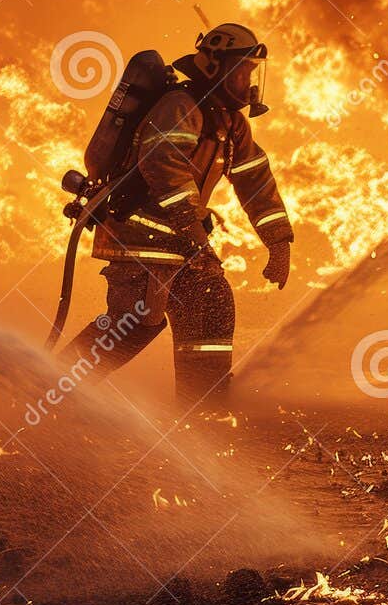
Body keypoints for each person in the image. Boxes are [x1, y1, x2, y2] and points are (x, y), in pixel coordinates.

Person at [63, 22, 294, 406]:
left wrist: (278, 241)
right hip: (140, 236)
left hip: (180, 242)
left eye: (251, 73)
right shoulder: (181, 106)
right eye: (241, 72)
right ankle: (52, 388)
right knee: (133, 322)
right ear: (214, 67)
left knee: (210, 305)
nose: (248, 83)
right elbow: (162, 164)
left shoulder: (231, 123)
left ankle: (201, 410)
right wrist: (192, 227)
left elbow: (254, 179)